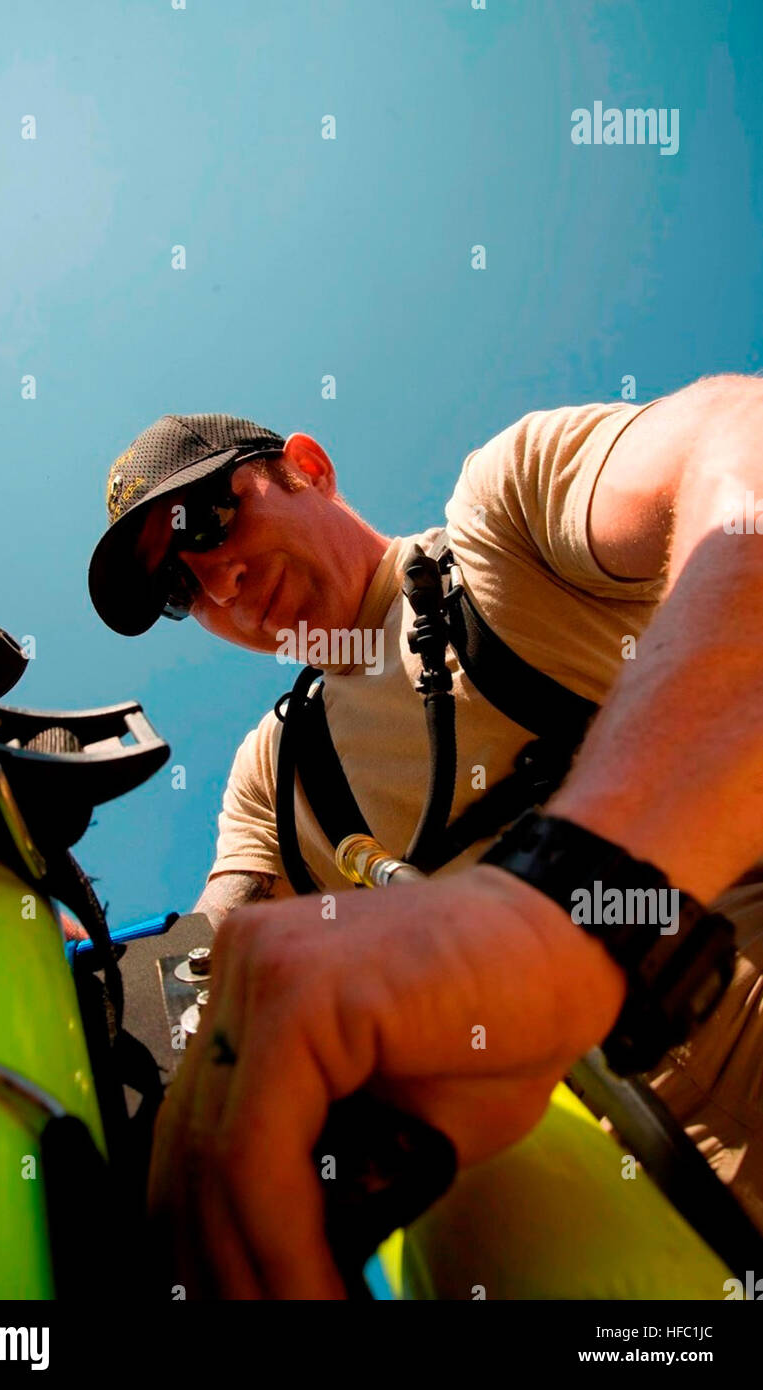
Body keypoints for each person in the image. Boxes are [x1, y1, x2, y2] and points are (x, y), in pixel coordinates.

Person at [88, 382, 763, 1298]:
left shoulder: (505, 519)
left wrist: (563, 899)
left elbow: (740, 438)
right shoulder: (274, 775)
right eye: (176, 588)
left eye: (206, 519)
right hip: (596, 1239)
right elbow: (203, 968)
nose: (217, 582)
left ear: (307, 470)